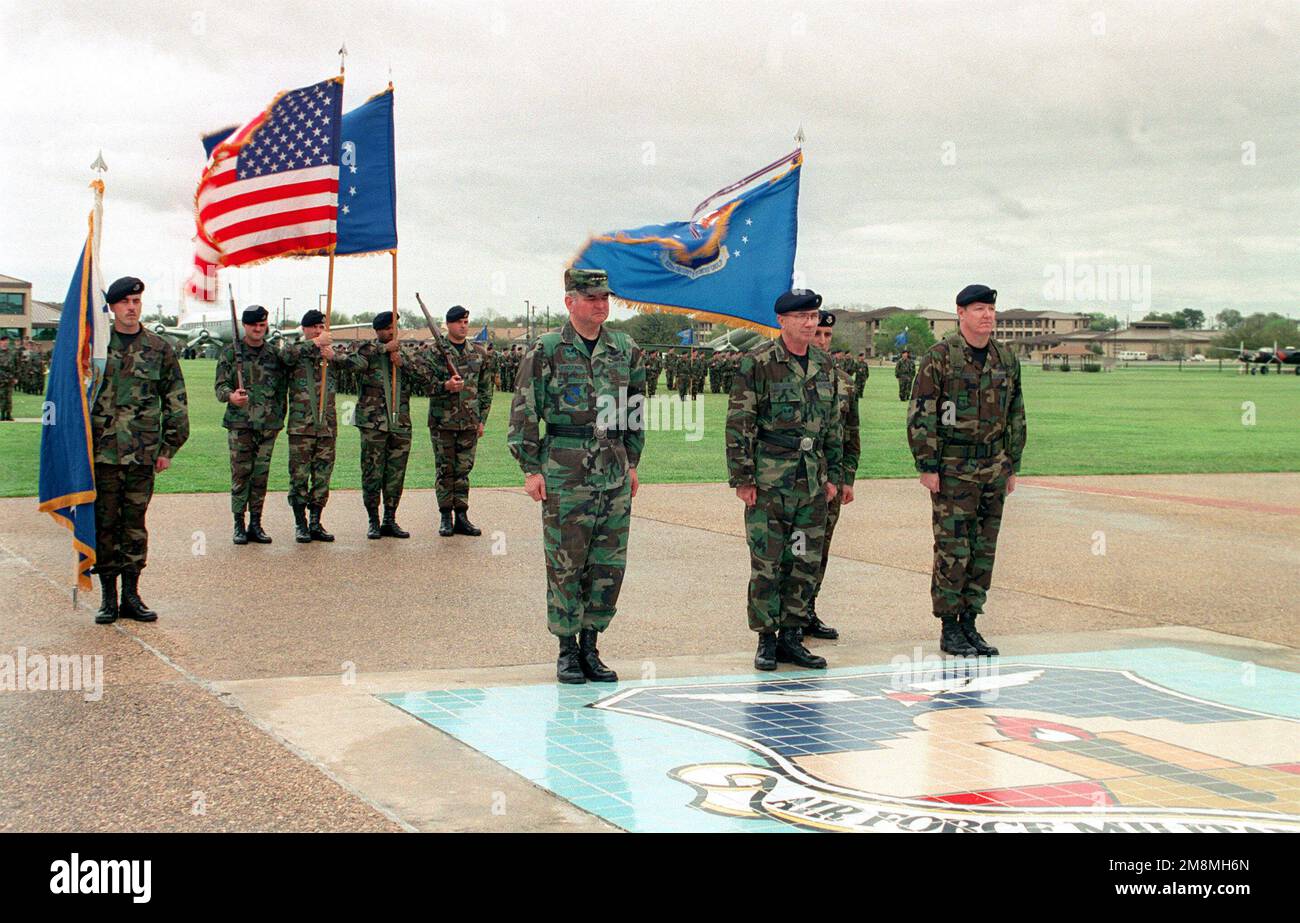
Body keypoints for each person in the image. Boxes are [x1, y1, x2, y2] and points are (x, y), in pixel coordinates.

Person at [507, 268, 645, 685]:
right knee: (567, 561)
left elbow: (635, 407)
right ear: (570, 302)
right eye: (592, 298)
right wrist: (531, 468)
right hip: (565, 467)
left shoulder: (625, 348)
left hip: (614, 467)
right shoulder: (547, 348)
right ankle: (567, 650)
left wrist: (633, 460)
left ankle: (591, 646)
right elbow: (524, 410)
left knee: (607, 563)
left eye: (605, 298)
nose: (601, 305)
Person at [726, 289, 843, 671]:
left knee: (803, 561)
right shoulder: (758, 363)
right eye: (802, 317)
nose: (810, 323)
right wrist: (743, 478)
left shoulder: (825, 366)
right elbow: (740, 422)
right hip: (770, 481)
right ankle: (766, 639)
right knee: (768, 562)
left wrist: (833, 477)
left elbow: (834, 428)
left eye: (814, 316)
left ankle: (792, 638)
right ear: (782, 321)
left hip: (811, 482)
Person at [907, 284, 1027, 657]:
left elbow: (1015, 414)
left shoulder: (1005, 358)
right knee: (953, 549)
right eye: (978, 309)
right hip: (954, 468)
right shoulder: (940, 357)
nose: (987, 315)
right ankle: (949, 626)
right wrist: (927, 465)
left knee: (982, 549)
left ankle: (971, 621)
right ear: (960, 314)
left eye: (991, 309)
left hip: (993, 465)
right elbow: (921, 412)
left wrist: (1012, 464)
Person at [90, 277, 189, 624]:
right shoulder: (96, 346)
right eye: (125, 302)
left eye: (136, 301)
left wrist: (169, 447)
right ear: (113, 307)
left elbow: (175, 400)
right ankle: (108, 598)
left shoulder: (158, 347)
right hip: (101, 453)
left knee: (134, 524)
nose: (132, 307)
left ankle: (131, 595)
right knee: (105, 524)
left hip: (142, 453)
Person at [351, 313, 429, 539]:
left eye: (394, 328)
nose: (391, 332)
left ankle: (390, 518)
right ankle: (373, 520)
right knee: (372, 472)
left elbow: (424, 378)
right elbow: (352, 364)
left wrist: (402, 361)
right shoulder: (367, 351)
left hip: (399, 424)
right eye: (386, 329)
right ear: (377, 331)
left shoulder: (403, 355)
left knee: (396, 474)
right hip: (373, 424)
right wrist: (384, 350)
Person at [215, 305, 287, 545]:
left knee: (260, 476)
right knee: (240, 475)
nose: (258, 329)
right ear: (245, 326)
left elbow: (282, 389)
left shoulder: (274, 354)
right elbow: (220, 387)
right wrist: (231, 396)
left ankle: (256, 523)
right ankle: (239, 524)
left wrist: (279, 419)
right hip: (240, 424)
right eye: (254, 325)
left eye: (262, 324)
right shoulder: (229, 354)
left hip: (267, 425)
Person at [808, 311, 859, 640]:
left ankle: (808, 610)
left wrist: (848, 478)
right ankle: (786, 619)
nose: (823, 341)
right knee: (794, 551)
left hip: (832, 478)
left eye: (828, 336)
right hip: (797, 478)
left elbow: (851, 433)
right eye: (818, 335)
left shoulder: (843, 380)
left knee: (820, 549)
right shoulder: (792, 373)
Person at [280, 309, 347, 543]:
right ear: (305, 329)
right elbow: (284, 358)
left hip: (326, 428)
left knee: (322, 478)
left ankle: (316, 521)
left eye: (322, 328)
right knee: (299, 477)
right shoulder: (296, 351)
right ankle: (301, 524)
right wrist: (315, 344)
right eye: (314, 328)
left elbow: (358, 364)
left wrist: (333, 356)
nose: (319, 332)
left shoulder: (329, 354)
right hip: (301, 429)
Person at [428, 305, 494, 537]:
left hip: (469, 422)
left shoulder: (479, 353)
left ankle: (462, 516)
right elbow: (421, 383)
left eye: (466, 322)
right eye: (459, 322)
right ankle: (446, 516)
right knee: (445, 470)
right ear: (448, 324)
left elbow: (486, 390)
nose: (463, 326)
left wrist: (482, 420)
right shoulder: (435, 352)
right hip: (442, 422)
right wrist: (444, 386)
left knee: (463, 470)